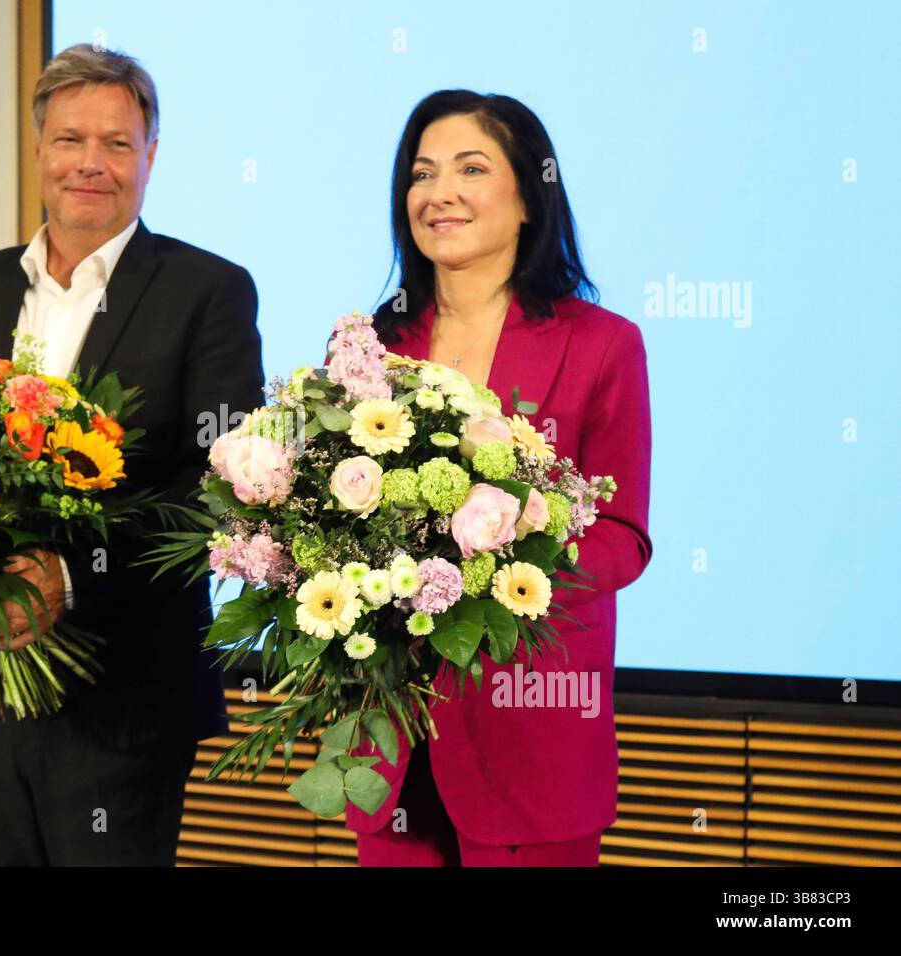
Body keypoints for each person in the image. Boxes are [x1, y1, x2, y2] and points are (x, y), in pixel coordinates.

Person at [0, 44, 264, 865]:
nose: (90, 164)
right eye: (71, 140)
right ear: (39, 150)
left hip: (122, 702)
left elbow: (217, 486)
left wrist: (71, 577)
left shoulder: (208, 290)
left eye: (116, 143)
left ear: (150, 156)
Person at [343, 90, 652, 866]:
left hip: (532, 742)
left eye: (470, 169)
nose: (438, 192)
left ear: (526, 199)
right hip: (394, 746)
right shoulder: (369, 346)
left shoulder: (602, 345)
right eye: (421, 173)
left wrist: (505, 573)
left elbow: (623, 538)